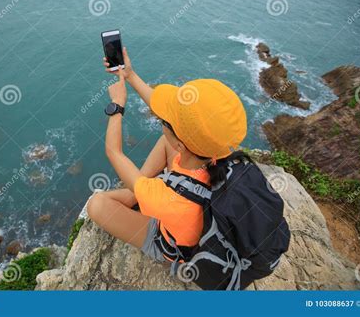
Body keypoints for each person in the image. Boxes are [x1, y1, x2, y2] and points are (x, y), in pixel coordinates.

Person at [87, 46, 247, 263]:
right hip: (196, 197)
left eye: (165, 121)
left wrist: (117, 105)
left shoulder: (166, 200)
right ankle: (137, 189)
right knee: (164, 143)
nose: (161, 119)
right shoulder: (218, 146)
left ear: (180, 145)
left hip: (172, 237)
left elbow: (113, 152)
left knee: (96, 205)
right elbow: (176, 119)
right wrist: (130, 75)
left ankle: (137, 191)